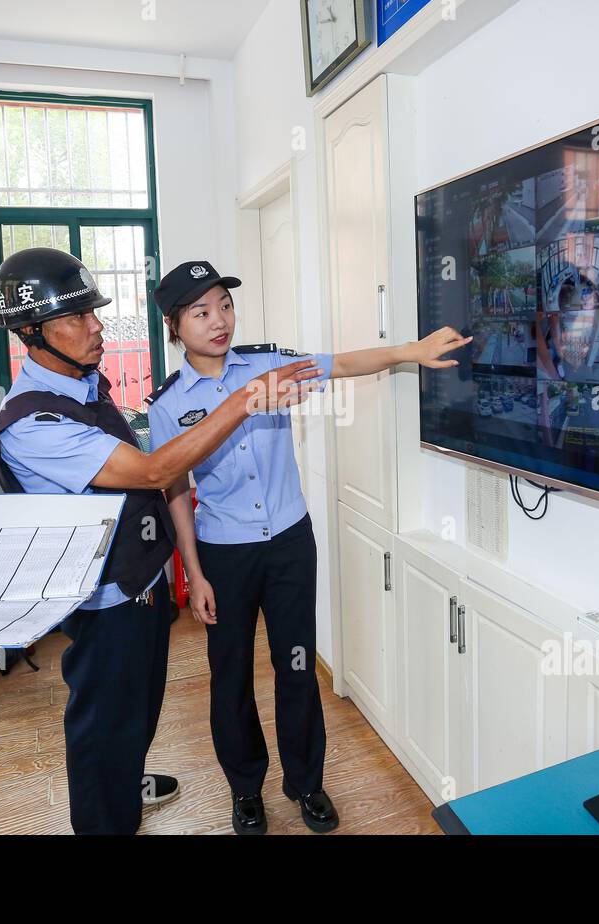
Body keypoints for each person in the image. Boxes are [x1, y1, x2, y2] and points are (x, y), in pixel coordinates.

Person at [0, 247, 319, 835]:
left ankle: (124, 790)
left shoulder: (85, 388)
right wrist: (244, 400)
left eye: (95, 313)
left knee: (132, 724)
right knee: (103, 732)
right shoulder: (35, 419)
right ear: (31, 332)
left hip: (140, 591)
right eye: (79, 318)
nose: (98, 327)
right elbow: (156, 475)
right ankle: (108, 814)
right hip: (105, 602)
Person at [146, 260, 469, 834]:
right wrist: (194, 574)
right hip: (225, 553)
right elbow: (174, 492)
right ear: (175, 326)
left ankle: (306, 783)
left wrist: (408, 351)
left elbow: (342, 363)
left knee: (297, 666)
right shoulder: (168, 404)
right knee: (231, 677)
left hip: (290, 544)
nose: (219, 320)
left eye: (224, 305)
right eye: (201, 312)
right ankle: (246, 789)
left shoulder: (271, 366)